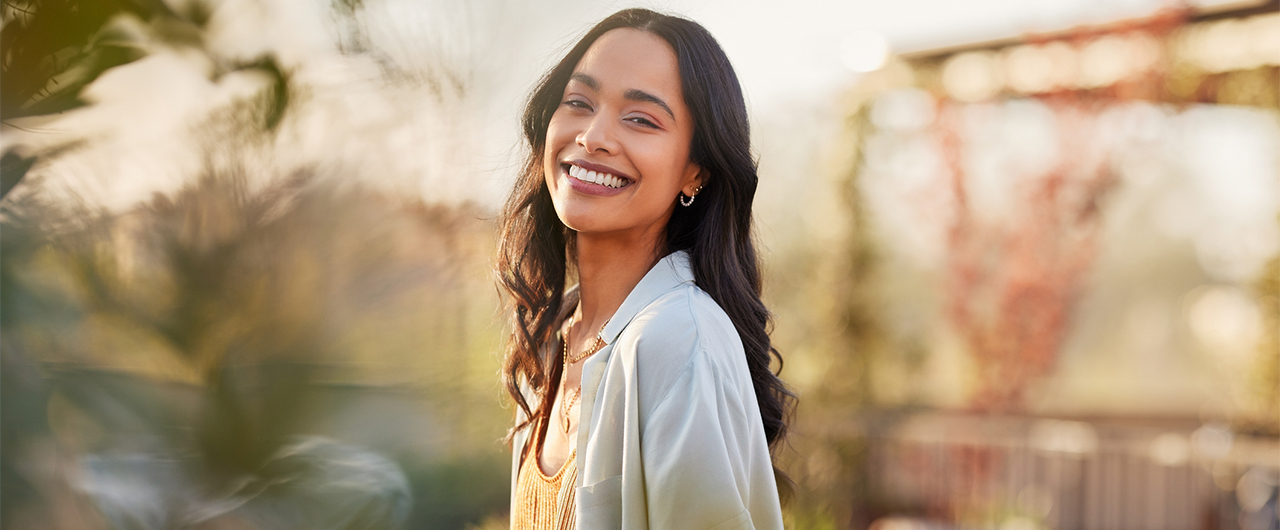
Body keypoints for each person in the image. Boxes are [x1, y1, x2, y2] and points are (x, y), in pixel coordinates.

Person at [495, 8, 793, 529]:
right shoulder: (555, 337)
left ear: (694, 170)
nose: (593, 136)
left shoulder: (678, 339)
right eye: (579, 103)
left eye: (641, 119)